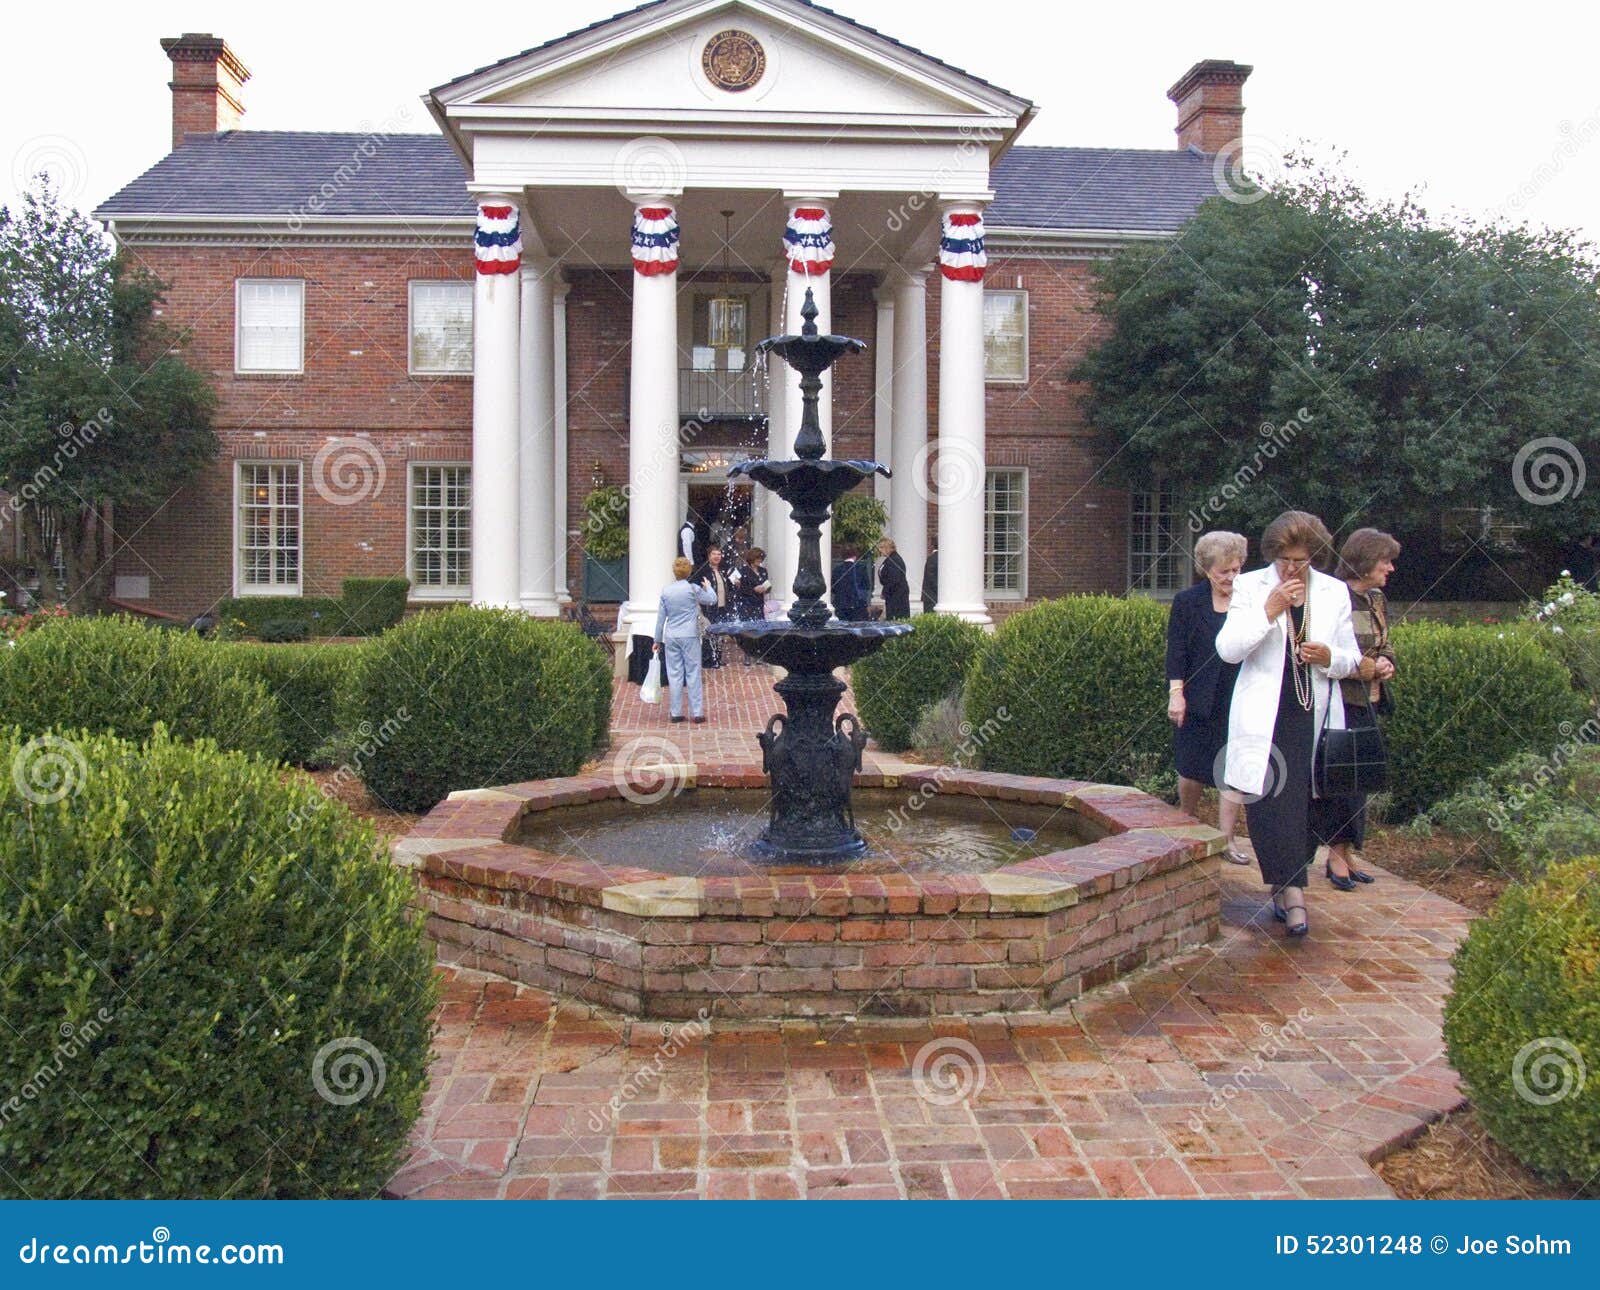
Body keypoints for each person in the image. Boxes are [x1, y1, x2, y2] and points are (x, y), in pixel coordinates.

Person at [1216, 511, 1359, 938]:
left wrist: (1329, 656)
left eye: (1300, 560)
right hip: (1266, 717)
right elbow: (1228, 650)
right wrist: (1269, 610)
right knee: (1273, 804)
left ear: (1315, 555)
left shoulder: (1334, 592)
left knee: (1306, 806)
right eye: (1284, 560)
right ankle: (1291, 891)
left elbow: (1351, 656)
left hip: (1312, 713)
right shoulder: (1249, 586)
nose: (1291, 568)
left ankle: (1288, 883)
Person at [1318, 528, 1400, 889]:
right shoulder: (1336, 597)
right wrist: (1369, 667)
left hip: (1371, 700)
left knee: (1361, 780)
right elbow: (1329, 652)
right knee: (1342, 781)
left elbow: (1385, 642)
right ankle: (1334, 857)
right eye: (1385, 560)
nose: (1391, 568)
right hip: (1343, 702)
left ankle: (1348, 852)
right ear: (1365, 561)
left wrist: (1387, 662)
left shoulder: (1376, 598)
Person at [1166, 531, 1249, 864]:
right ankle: (1185, 821)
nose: (1231, 577)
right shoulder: (1187, 602)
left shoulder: (1250, 601)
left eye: (1236, 569)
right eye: (1223, 571)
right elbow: (1177, 652)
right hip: (1198, 698)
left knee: (1234, 768)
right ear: (1206, 569)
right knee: (1190, 769)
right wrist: (1176, 694)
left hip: (1239, 696)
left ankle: (1226, 840)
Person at [654, 556, 716, 723]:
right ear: (689, 571)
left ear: (674, 572)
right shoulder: (693, 589)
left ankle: (676, 712)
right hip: (690, 634)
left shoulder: (666, 591)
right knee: (693, 672)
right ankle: (697, 713)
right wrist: (709, 587)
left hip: (671, 635)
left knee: (674, 674)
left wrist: (656, 640)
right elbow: (712, 599)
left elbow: (661, 619)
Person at [694, 544, 732, 667]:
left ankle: (718, 658)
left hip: (722, 607)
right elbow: (694, 586)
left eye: (719, 554)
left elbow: (728, 588)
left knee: (720, 634)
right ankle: (708, 660)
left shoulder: (723, 570)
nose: (717, 556)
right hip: (709, 608)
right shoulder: (703, 570)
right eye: (714, 554)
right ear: (709, 556)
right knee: (709, 633)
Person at [878, 537, 910, 619]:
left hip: (897, 596)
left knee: (896, 617)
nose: (879, 550)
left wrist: (885, 591)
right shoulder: (890, 559)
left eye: (881, 547)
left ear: (888, 548)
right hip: (893, 595)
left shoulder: (894, 559)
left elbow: (894, 579)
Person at [832, 545, 864, 621]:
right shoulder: (861, 569)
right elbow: (866, 587)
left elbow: (833, 587)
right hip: (857, 604)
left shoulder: (837, 569)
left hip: (840, 604)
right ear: (855, 555)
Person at [921, 548, 939, 614]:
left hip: (931, 596)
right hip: (932, 596)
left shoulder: (933, 558)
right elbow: (932, 578)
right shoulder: (934, 558)